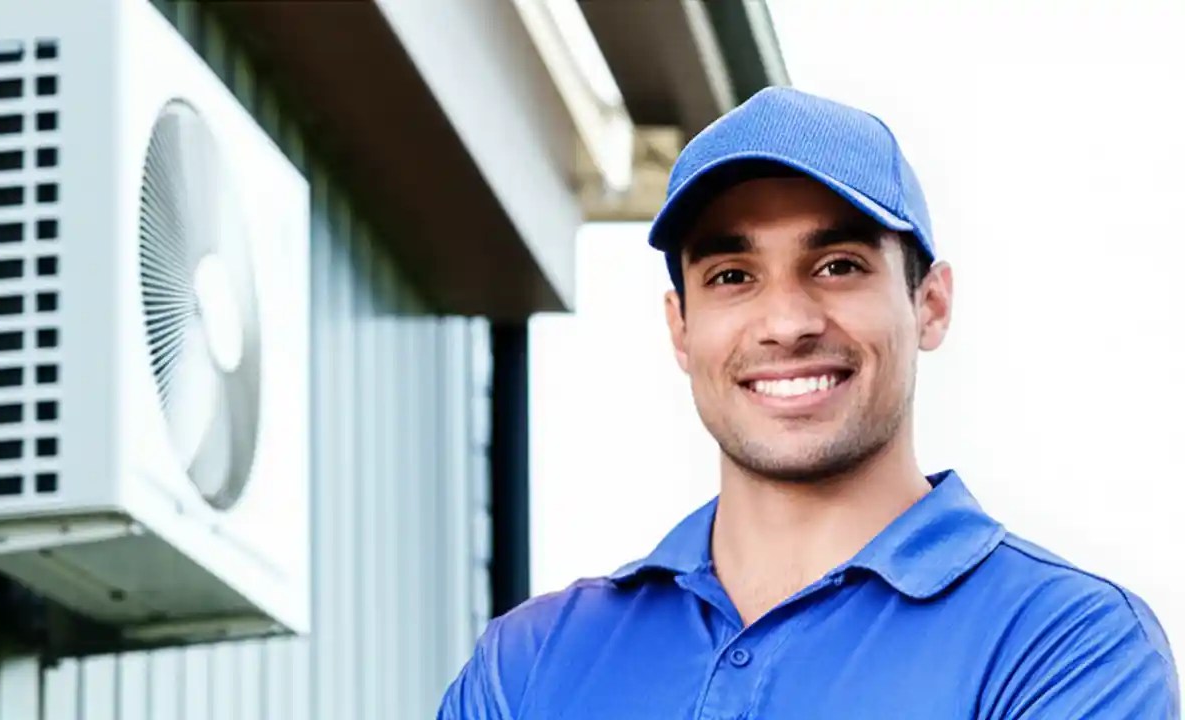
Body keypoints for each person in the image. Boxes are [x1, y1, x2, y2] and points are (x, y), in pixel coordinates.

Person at [436, 87, 1180, 719]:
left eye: (838, 265)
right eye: (732, 275)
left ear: (931, 305)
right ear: (680, 327)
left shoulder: (1065, 645)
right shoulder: (531, 664)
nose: (788, 321)